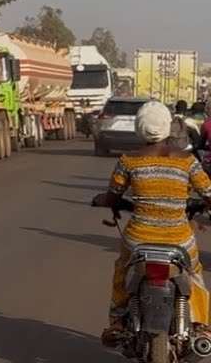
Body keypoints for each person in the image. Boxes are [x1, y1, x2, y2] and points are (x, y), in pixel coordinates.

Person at [92, 101, 211, 347]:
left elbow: (113, 196)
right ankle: (201, 327)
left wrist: (104, 201)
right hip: (179, 239)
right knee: (195, 273)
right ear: (168, 126)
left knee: (122, 270)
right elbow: (208, 193)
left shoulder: (129, 161)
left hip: (139, 238)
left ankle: (116, 321)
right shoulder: (186, 161)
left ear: (139, 128)